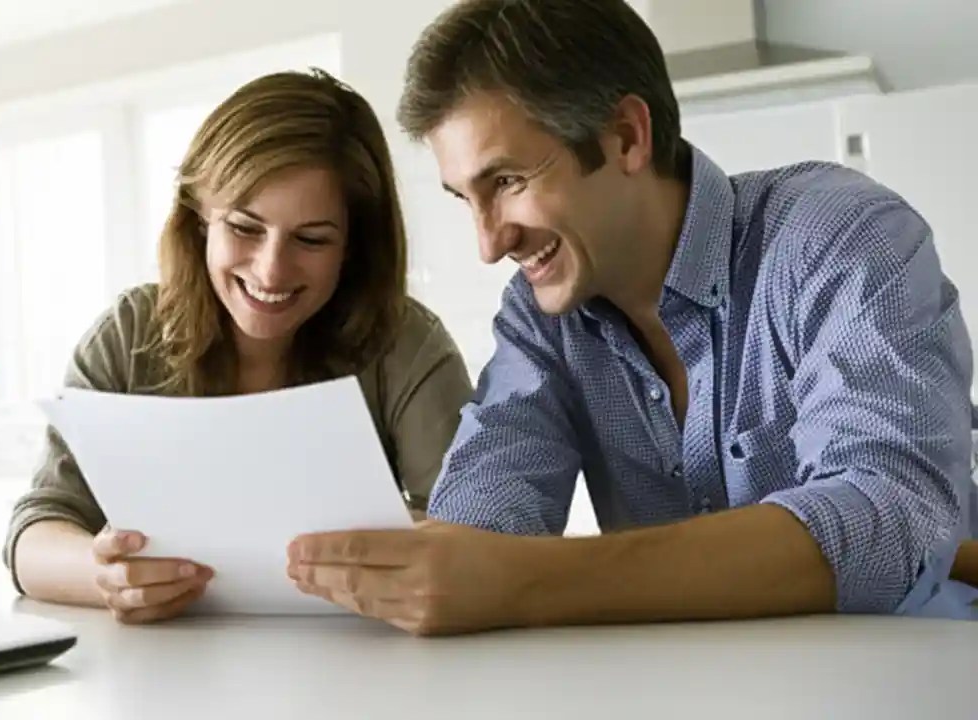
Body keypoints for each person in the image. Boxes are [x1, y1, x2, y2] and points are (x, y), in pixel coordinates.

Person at [287, 0, 978, 635]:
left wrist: (530, 579)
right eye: (466, 198)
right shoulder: (542, 315)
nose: (490, 244)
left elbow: (892, 519)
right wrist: (422, 565)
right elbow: (485, 517)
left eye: (508, 181)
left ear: (625, 136)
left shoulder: (837, 236)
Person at [5, 69, 474, 624]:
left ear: (354, 247)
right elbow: (35, 533)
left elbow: (474, 536)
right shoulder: (128, 335)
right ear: (199, 220)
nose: (271, 270)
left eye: (311, 239)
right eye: (245, 228)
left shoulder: (405, 344)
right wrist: (104, 578)